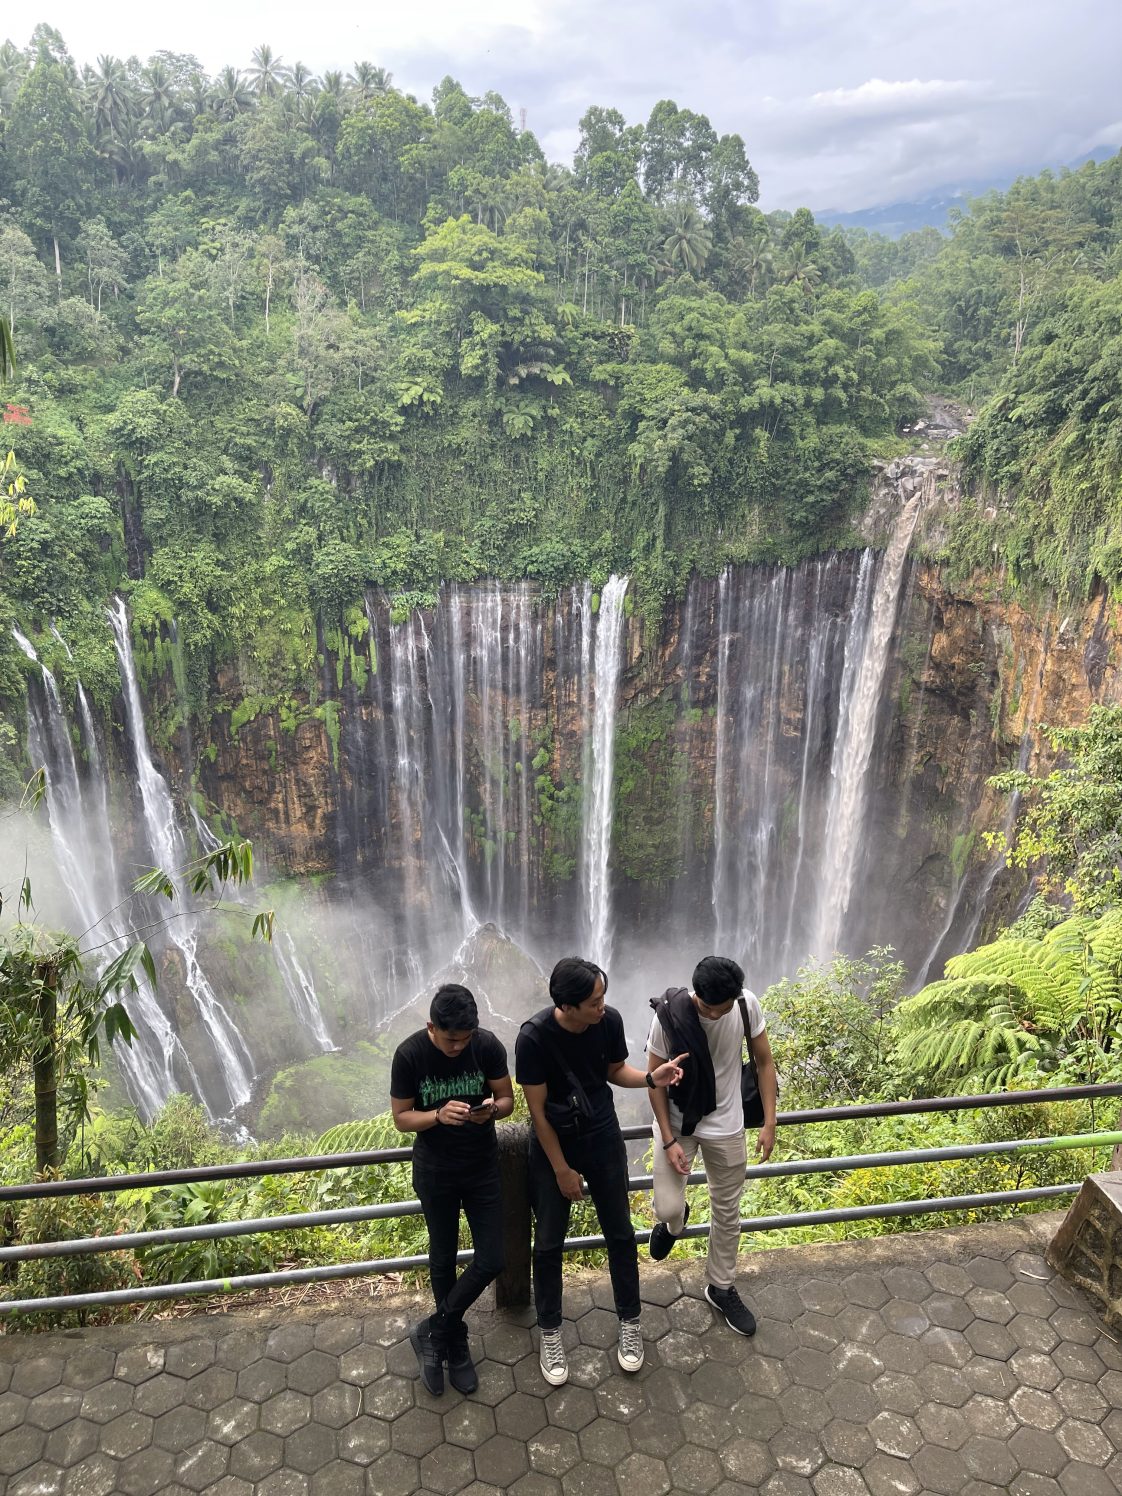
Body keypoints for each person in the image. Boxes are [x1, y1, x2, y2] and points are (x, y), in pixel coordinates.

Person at [516, 956, 685, 1386]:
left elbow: (613, 1071)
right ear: (566, 1005)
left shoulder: (607, 1021)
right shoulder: (533, 1039)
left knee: (620, 1233)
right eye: (594, 1001)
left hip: (602, 1134)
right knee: (549, 1241)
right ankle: (550, 1330)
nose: (603, 1006)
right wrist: (560, 1170)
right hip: (556, 1141)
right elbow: (537, 1113)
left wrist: (652, 1078)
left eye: (603, 996)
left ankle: (630, 1321)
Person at [390, 983, 515, 1396]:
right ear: (431, 1027)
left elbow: (506, 1099)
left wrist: (490, 1111)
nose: (459, 1046)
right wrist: (439, 1115)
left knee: (493, 1258)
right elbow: (402, 1118)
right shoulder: (409, 1055)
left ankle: (436, 1330)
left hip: (482, 1167)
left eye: (465, 1039)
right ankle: (456, 1343)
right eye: (451, 1039)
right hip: (436, 1170)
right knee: (442, 1257)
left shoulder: (488, 1046)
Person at [645, 954, 777, 1336]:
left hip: (727, 1124)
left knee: (727, 1209)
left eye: (726, 1008)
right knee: (668, 1206)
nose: (720, 1015)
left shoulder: (744, 1003)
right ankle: (673, 1223)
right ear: (698, 996)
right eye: (713, 1010)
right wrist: (669, 1139)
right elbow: (654, 1081)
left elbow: (765, 1062)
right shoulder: (668, 1018)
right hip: (679, 1121)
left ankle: (720, 1285)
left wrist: (769, 1122)